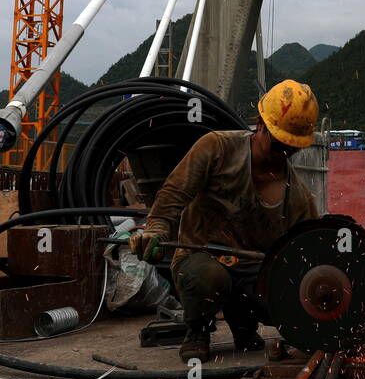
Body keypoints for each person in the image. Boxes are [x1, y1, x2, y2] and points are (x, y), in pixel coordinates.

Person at [128, 80, 320, 362]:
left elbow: (307, 249)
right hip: (201, 257)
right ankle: (197, 331)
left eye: (290, 148)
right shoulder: (217, 148)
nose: (283, 153)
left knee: (287, 292)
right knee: (208, 278)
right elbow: (173, 194)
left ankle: (243, 325)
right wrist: (156, 228)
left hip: (253, 269)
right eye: (278, 144)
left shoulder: (298, 197)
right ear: (260, 126)